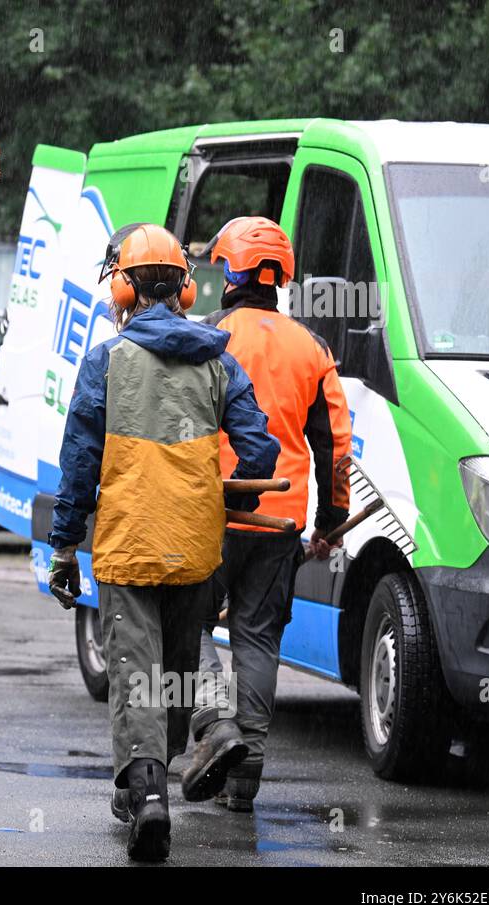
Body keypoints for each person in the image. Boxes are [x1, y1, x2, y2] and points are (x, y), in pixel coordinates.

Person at [46, 223, 278, 862]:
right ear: (183, 287)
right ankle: (153, 777)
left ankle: (147, 796)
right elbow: (259, 449)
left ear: (122, 286)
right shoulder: (218, 360)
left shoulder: (106, 361)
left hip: (127, 546)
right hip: (197, 550)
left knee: (135, 676)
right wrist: (235, 493)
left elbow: (79, 464)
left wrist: (64, 549)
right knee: (175, 676)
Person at [183, 216, 352, 811]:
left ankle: (213, 724)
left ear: (229, 271)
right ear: (280, 276)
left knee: (190, 626)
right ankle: (245, 776)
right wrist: (331, 520)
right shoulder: (312, 347)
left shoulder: (206, 337)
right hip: (280, 523)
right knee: (258, 639)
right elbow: (333, 442)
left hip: (210, 515)